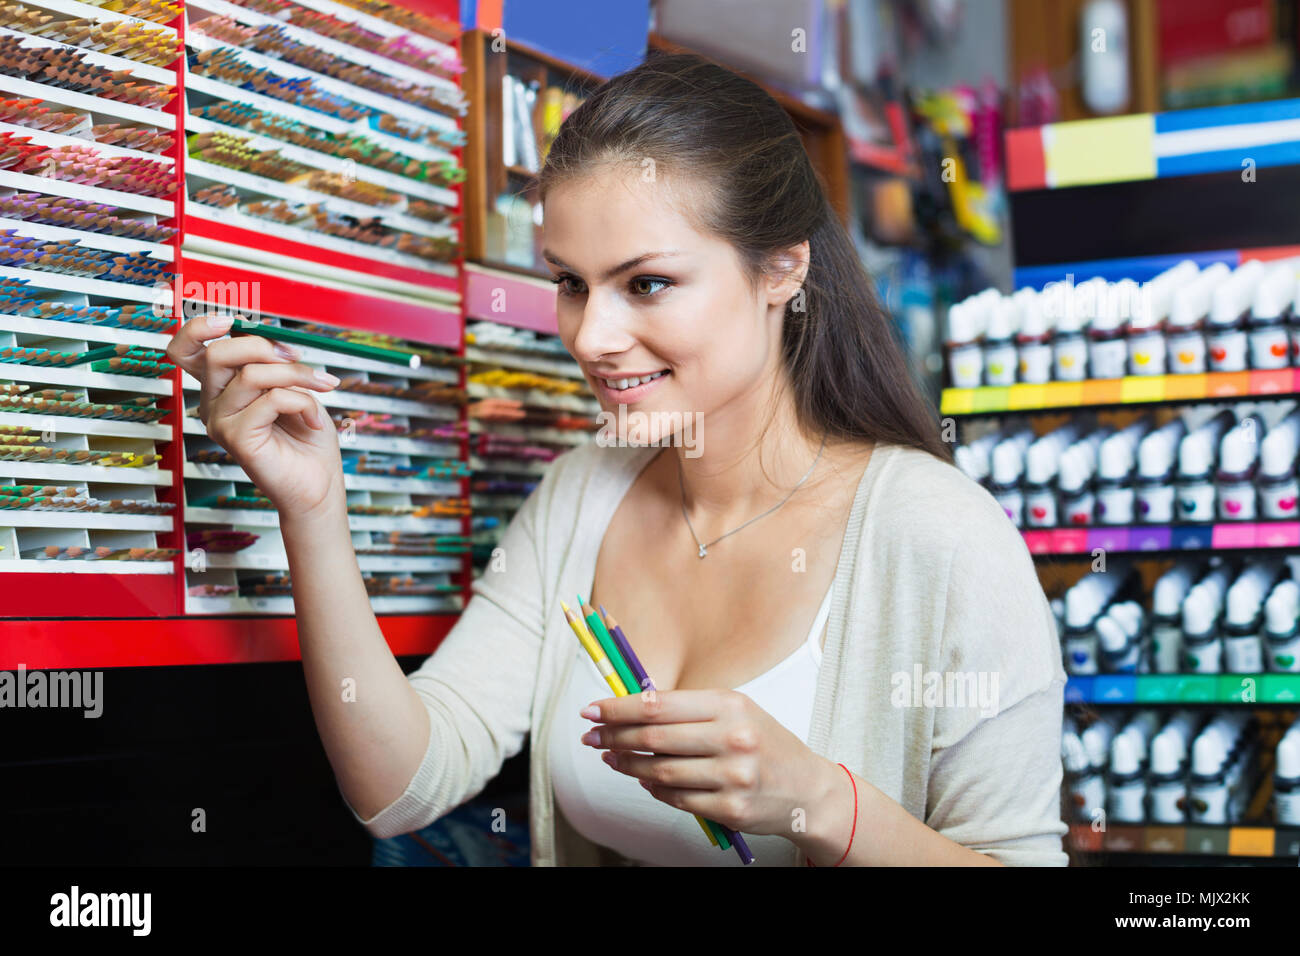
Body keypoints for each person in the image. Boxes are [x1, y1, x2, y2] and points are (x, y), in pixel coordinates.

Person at [166, 52, 1068, 866]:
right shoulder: (581, 495)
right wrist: (314, 510)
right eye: (570, 282)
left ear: (781, 271)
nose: (592, 337)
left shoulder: (939, 536)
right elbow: (401, 788)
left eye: (647, 283)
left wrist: (818, 802)